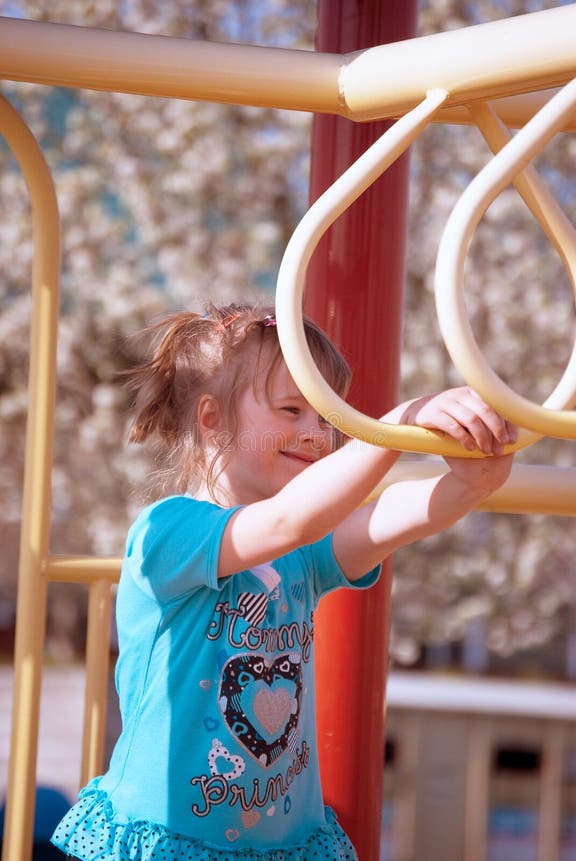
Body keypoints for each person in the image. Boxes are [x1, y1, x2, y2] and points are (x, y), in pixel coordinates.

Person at [52, 303, 516, 861]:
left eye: (327, 418)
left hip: (283, 842)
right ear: (211, 420)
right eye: (292, 409)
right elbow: (289, 518)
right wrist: (395, 426)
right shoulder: (169, 531)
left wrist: (471, 485)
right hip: (169, 834)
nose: (316, 433)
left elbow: (390, 517)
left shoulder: (302, 552)